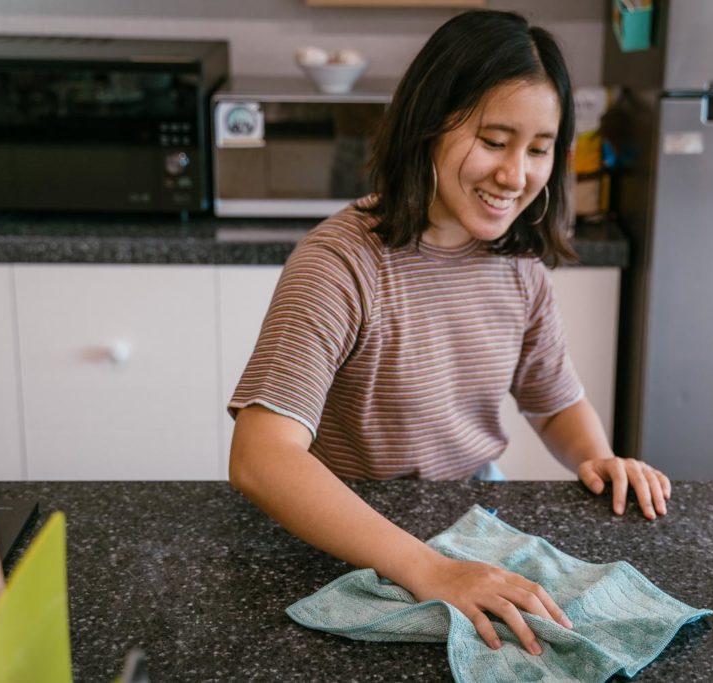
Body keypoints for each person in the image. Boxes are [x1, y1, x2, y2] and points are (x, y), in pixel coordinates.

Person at [228, 10, 672, 657]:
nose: (516, 174)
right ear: (429, 125)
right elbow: (261, 457)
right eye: (494, 140)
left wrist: (595, 456)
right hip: (349, 542)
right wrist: (429, 569)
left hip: (470, 528)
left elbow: (552, 399)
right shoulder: (340, 264)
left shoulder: (518, 268)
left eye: (539, 148)